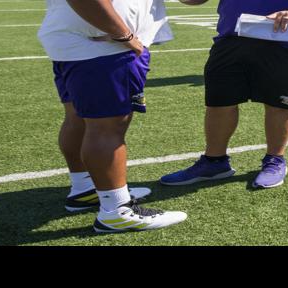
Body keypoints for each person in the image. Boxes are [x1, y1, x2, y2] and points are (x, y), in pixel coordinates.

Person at [160, 0, 288, 190]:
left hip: (286, 41)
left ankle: (275, 160)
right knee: (219, 102)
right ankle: (214, 162)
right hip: (231, 38)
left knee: (281, 105)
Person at [38, 0, 188, 233]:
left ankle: (85, 188)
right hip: (103, 44)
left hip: (81, 41)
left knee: (78, 118)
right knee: (107, 128)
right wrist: (124, 35)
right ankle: (116, 210)